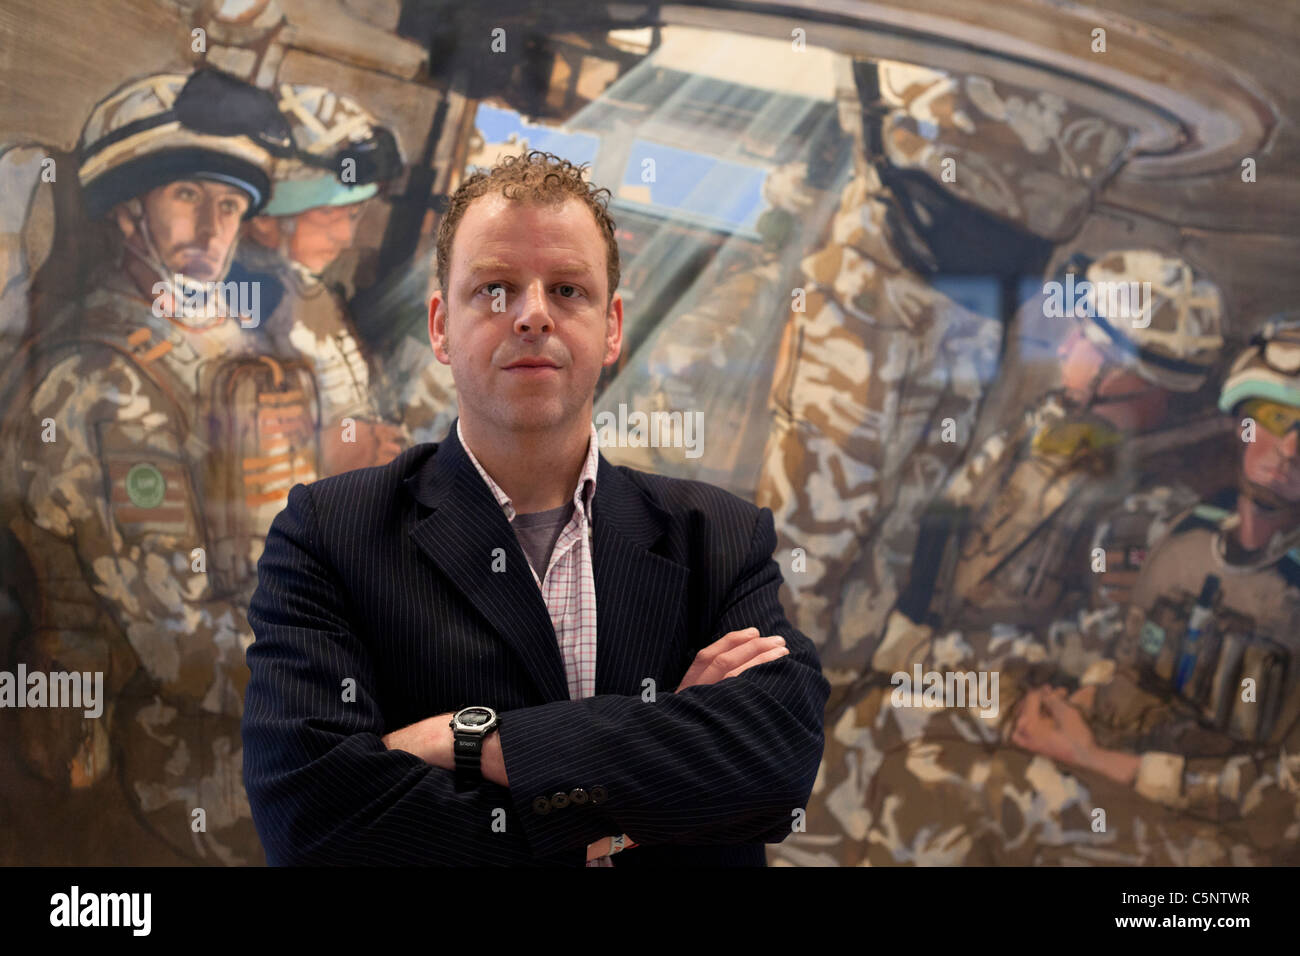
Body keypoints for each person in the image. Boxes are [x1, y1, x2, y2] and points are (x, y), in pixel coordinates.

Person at [241, 149, 830, 866]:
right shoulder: (329, 535)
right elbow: (314, 821)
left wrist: (465, 741)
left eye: (568, 291)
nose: (531, 316)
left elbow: (775, 764)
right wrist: (650, 764)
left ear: (612, 328)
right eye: (494, 289)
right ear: (439, 326)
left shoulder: (721, 538)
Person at [773, 322, 1300, 866]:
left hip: (1220, 838)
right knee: (885, 727)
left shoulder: (1157, 509)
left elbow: (1284, 806)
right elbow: (1127, 670)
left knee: (953, 786)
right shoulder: (1191, 544)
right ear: (1240, 420)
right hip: (1125, 753)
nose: (1288, 449)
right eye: (1275, 419)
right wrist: (1079, 713)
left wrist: (1098, 755)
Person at [0, 68, 320, 864]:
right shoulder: (101, 379)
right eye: (187, 195)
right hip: (165, 765)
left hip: (244, 717)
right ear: (126, 207)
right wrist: (332, 686)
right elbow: (178, 643)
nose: (214, 227)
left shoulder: (214, 353)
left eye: (231, 205)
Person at [233, 82, 406, 477]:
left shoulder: (316, 294)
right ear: (265, 220)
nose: (345, 238)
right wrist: (356, 447)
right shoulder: (245, 304)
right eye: (330, 218)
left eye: (354, 216)